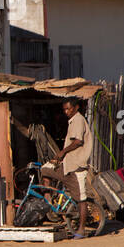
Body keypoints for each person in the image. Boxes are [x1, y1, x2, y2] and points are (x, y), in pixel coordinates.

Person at [54, 97, 95, 239]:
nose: (66, 111)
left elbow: (78, 142)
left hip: (78, 164)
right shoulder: (72, 121)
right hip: (70, 164)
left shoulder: (78, 120)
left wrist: (63, 151)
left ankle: (82, 230)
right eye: (64, 109)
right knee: (46, 170)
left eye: (68, 108)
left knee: (81, 199)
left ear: (76, 107)